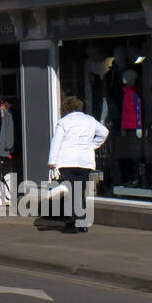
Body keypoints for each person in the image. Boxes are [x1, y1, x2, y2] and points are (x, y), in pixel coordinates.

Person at [47, 95, 109, 233]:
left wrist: (52, 162)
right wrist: (93, 145)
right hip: (85, 161)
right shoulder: (90, 121)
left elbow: (56, 142)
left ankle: (71, 223)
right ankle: (82, 223)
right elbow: (104, 132)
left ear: (66, 109)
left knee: (70, 192)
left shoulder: (64, 122)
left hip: (66, 161)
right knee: (79, 192)